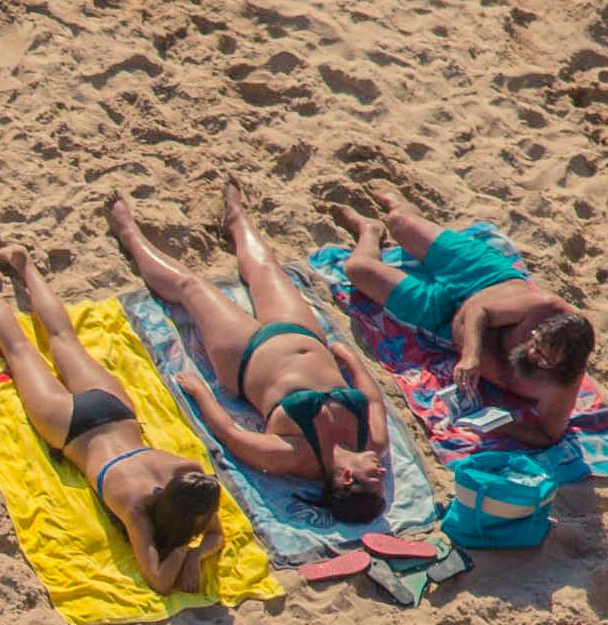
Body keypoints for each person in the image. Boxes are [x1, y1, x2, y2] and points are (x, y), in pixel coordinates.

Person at [0, 244, 223, 592]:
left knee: (62, 339)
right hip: (71, 430)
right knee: (19, 350)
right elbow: (160, 580)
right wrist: (187, 553)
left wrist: (196, 554)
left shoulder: (188, 472)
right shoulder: (135, 507)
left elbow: (213, 536)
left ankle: (24, 265)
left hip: (116, 412)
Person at [102, 185, 393, 523]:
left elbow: (232, 434)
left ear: (346, 478)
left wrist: (202, 394)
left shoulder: (296, 458)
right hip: (302, 333)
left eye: (376, 480)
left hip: (245, 356)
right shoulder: (373, 442)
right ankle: (235, 219)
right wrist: (353, 362)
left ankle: (129, 233)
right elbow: (372, 400)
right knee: (267, 269)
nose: (382, 471)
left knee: (192, 288)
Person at [341, 206, 598, 446]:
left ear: (562, 365)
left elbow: (548, 435)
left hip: (440, 317)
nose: (532, 353)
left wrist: (501, 426)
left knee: (357, 268)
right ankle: (400, 207)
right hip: (482, 277)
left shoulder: (562, 385)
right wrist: (471, 355)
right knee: (399, 221)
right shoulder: (544, 307)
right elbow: (479, 309)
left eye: (543, 359)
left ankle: (369, 231)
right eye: (535, 343)